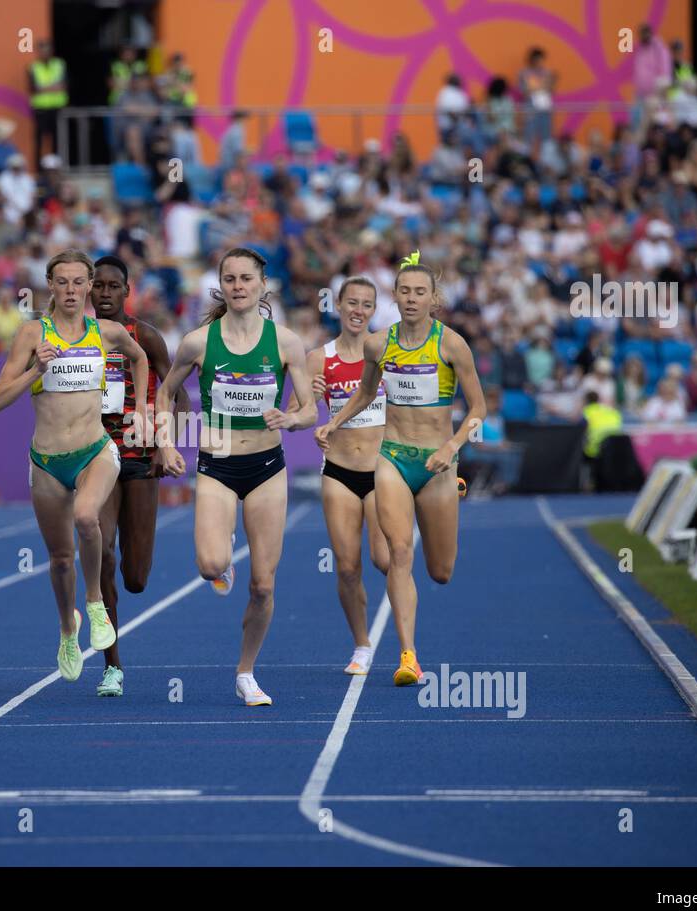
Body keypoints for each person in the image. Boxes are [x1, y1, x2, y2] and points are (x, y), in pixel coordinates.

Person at [153, 247, 316, 706]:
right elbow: (164, 395)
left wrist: (292, 420)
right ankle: (221, 558)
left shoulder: (285, 342)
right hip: (217, 464)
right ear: (221, 286)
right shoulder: (199, 342)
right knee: (209, 565)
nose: (239, 286)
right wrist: (166, 444)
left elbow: (309, 410)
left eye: (247, 278)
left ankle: (246, 672)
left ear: (263, 285)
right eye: (230, 279)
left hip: (266, 468)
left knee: (263, 584)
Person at [315, 251, 487, 687]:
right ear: (395, 296)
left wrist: (452, 447)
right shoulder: (380, 344)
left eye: (420, 292)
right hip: (392, 458)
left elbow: (479, 409)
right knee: (398, 553)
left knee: (440, 571)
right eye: (404, 292)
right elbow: (363, 394)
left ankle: (453, 490)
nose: (411, 299)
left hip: (438, 464)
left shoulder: (451, 344)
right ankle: (408, 655)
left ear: (433, 298)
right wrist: (333, 421)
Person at [0, 250, 150, 684]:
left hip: (96, 449)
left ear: (90, 285)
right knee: (61, 560)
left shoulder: (107, 331)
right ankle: (67, 629)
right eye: (62, 282)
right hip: (46, 461)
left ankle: (96, 602)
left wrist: (143, 410)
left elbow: (140, 358)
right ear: (50, 286)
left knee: (86, 517)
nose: (72, 291)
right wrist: (35, 369)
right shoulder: (31, 335)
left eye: (80, 282)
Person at [91, 255, 185, 697]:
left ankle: (118, 588)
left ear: (126, 291)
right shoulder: (75, 339)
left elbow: (178, 397)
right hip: (96, 458)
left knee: (136, 577)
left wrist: (166, 444)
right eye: (99, 286)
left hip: (141, 458)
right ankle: (112, 665)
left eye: (114, 286)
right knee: (102, 554)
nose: (105, 293)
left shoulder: (145, 336)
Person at [297, 277, 391, 675]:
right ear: (338, 305)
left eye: (366, 304)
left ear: (373, 310)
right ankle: (362, 644)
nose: (358, 310)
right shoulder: (319, 356)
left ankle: (406, 644)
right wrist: (312, 395)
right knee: (348, 565)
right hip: (338, 471)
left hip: (382, 470)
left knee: (386, 559)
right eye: (351, 302)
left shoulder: (389, 351)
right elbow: (298, 414)